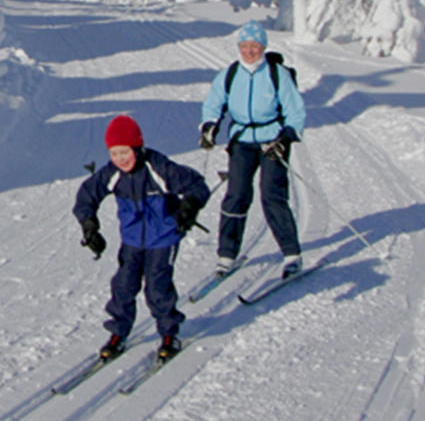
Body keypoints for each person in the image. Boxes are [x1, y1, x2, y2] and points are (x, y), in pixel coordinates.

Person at [72, 114, 212, 362]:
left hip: (164, 238)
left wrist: (189, 206)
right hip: (132, 240)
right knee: (123, 286)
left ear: (137, 147)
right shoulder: (113, 173)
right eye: (114, 153)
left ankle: (169, 333)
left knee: (158, 288)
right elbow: (87, 195)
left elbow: (197, 185)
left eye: (125, 152)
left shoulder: (158, 167)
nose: (120, 159)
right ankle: (118, 332)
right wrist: (89, 225)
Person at [199, 21, 306, 280]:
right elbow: (213, 104)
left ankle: (292, 254)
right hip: (242, 140)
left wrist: (287, 137)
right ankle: (227, 255)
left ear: (263, 47)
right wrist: (209, 125)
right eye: (245, 46)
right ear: (239, 47)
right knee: (236, 194)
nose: (249, 51)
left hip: (272, 140)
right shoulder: (229, 74)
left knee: (272, 195)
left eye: (255, 46)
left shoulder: (276, 74)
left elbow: (295, 110)